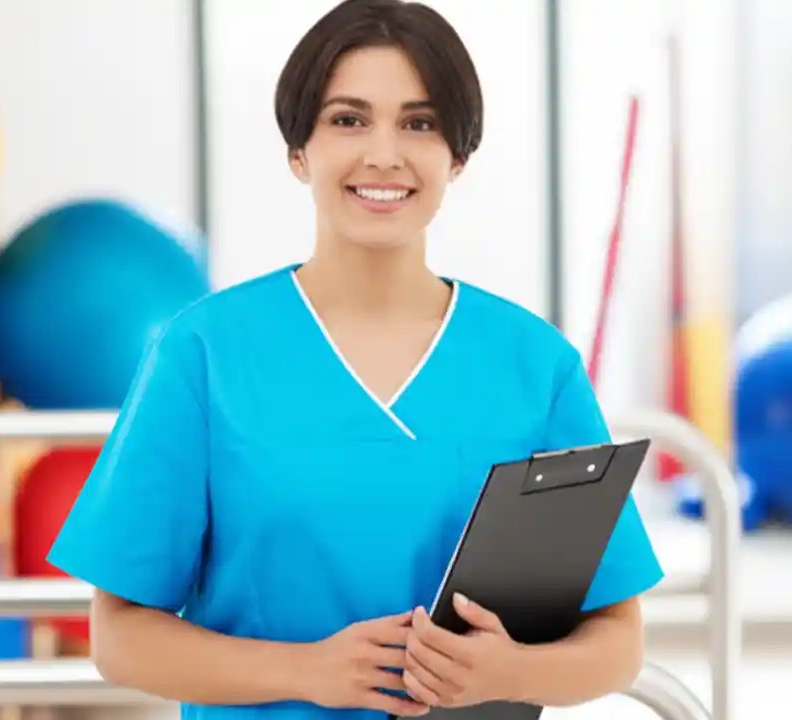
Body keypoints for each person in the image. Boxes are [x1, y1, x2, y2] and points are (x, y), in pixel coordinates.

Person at [47, 0, 665, 717]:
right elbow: (120, 637)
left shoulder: (535, 365)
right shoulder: (203, 352)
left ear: (456, 156)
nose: (383, 153)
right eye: (348, 119)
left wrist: (506, 673)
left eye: (420, 123)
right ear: (298, 149)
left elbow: (618, 643)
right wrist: (305, 672)